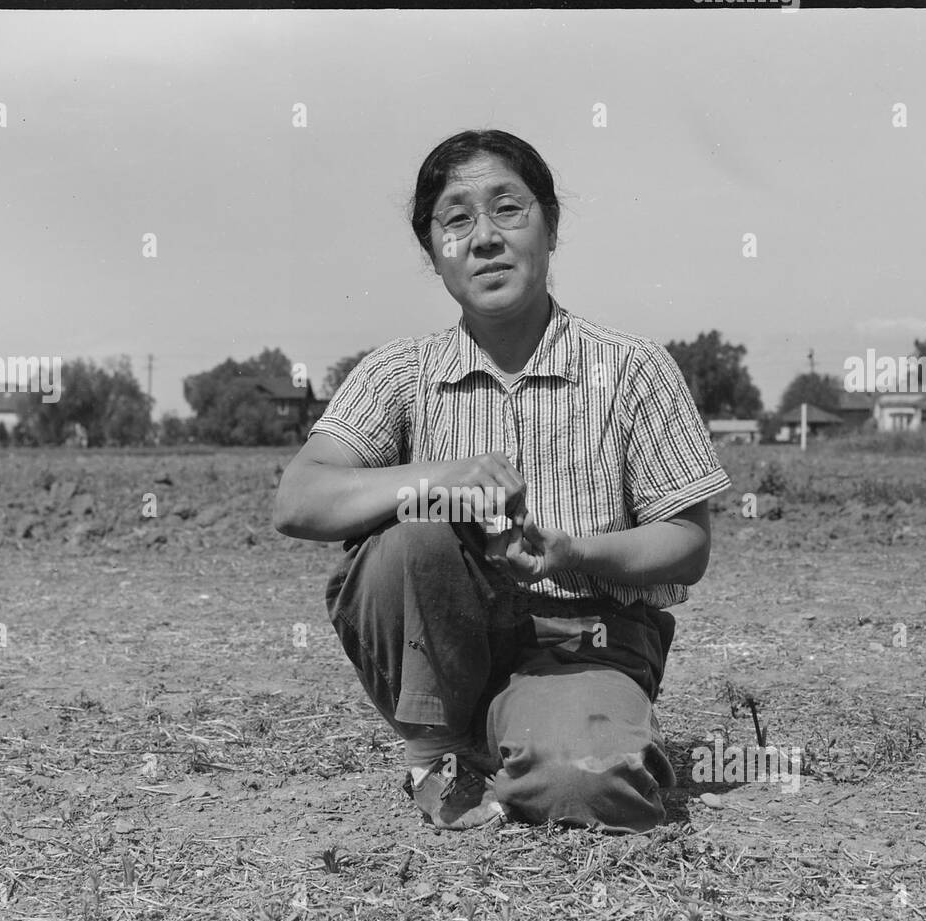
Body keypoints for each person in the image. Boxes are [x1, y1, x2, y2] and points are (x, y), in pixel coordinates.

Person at [274, 129, 731, 833]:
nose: (484, 238)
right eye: (456, 220)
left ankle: (545, 742)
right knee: (416, 531)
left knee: (585, 786)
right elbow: (299, 500)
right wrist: (438, 477)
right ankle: (440, 748)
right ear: (434, 253)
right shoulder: (400, 374)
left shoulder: (633, 370)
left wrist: (575, 552)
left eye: (508, 210)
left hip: (585, 643)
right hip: (448, 651)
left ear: (551, 226)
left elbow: (688, 546)